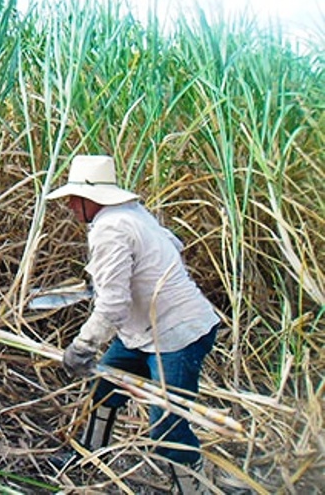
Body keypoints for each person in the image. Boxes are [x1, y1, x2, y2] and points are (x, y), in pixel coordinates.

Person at [46, 155, 220, 494]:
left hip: (175, 335)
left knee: (167, 427)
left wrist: (82, 346)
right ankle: (88, 458)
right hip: (139, 332)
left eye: (74, 198)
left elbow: (113, 305)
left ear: (91, 198)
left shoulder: (111, 228)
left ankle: (194, 489)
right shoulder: (130, 213)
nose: (69, 205)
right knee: (104, 392)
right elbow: (169, 249)